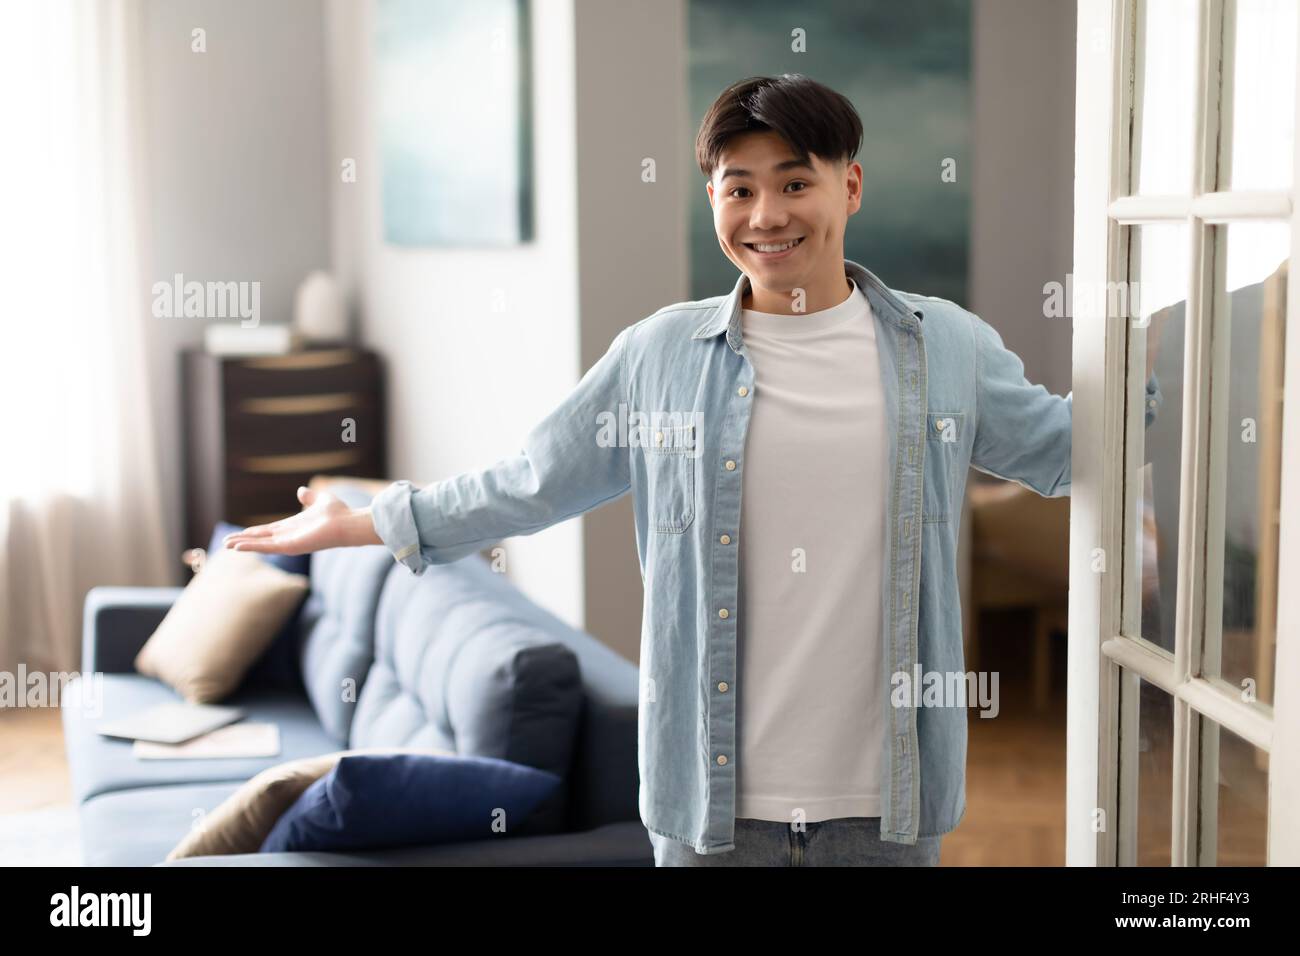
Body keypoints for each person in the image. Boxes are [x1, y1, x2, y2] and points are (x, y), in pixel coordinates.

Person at [224, 74, 1162, 867]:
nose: (767, 215)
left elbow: (1069, 448)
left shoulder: (942, 346)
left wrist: (1180, 346)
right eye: (737, 188)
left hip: (890, 806)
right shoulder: (659, 356)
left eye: (796, 182)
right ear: (711, 198)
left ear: (852, 186)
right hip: (710, 806)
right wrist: (363, 519)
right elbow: (532, 479)